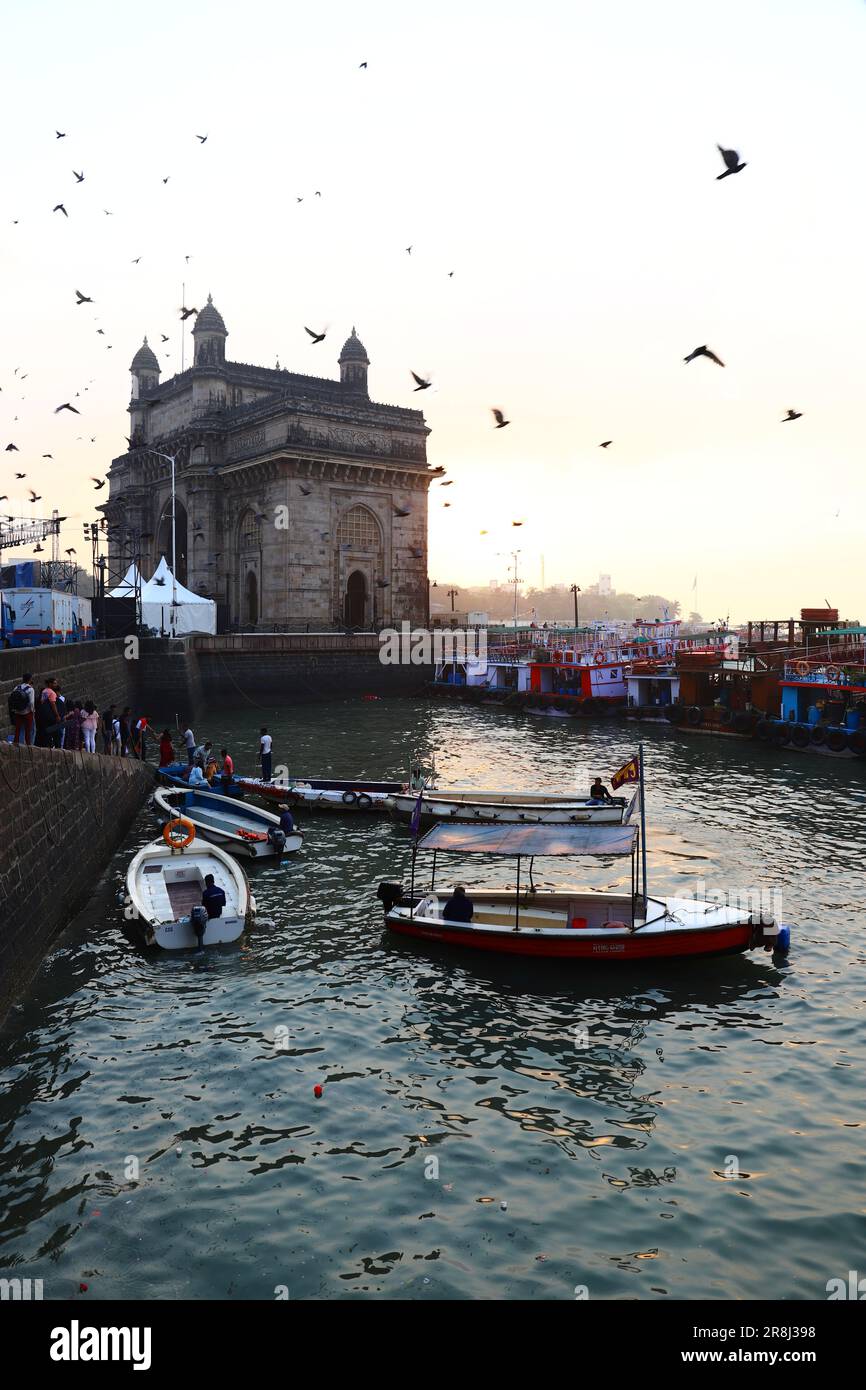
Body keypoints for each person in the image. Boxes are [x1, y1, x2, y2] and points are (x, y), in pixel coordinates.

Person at [8, 672, 35, 746]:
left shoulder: (17, 687)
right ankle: (28, 746)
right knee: (28, 730)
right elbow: (32, 702)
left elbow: (12, 698)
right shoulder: (30, 689)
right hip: (27, 712)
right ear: (30, 679)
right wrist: (32, 710)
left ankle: (16, 744)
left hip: (18, 712)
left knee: (17, 729)